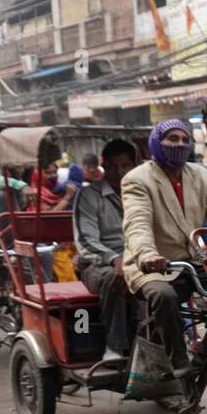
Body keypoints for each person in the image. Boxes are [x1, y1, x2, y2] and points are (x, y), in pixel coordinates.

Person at [121, 118, 207, 384]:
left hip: (191, 260)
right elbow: (138, 223)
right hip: (152, 264)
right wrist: (147, 254)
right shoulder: (137, 179)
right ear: (156, 143)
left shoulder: (200, 174)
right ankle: (179, 364)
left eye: (184, 140)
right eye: (172, 139)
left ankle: (205, 351)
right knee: (164, 295)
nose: (179, 145)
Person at [74, 139, 140, 361]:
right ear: (104, 166)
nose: (119, 172)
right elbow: (86, 240)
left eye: (125, 166)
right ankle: (114, 347)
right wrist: (114, 259)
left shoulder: (142, 194)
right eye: (113, 166)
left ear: (134, 165)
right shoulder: (89, 195)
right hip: (98, 264)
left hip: (139, 258)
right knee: (114, 277)